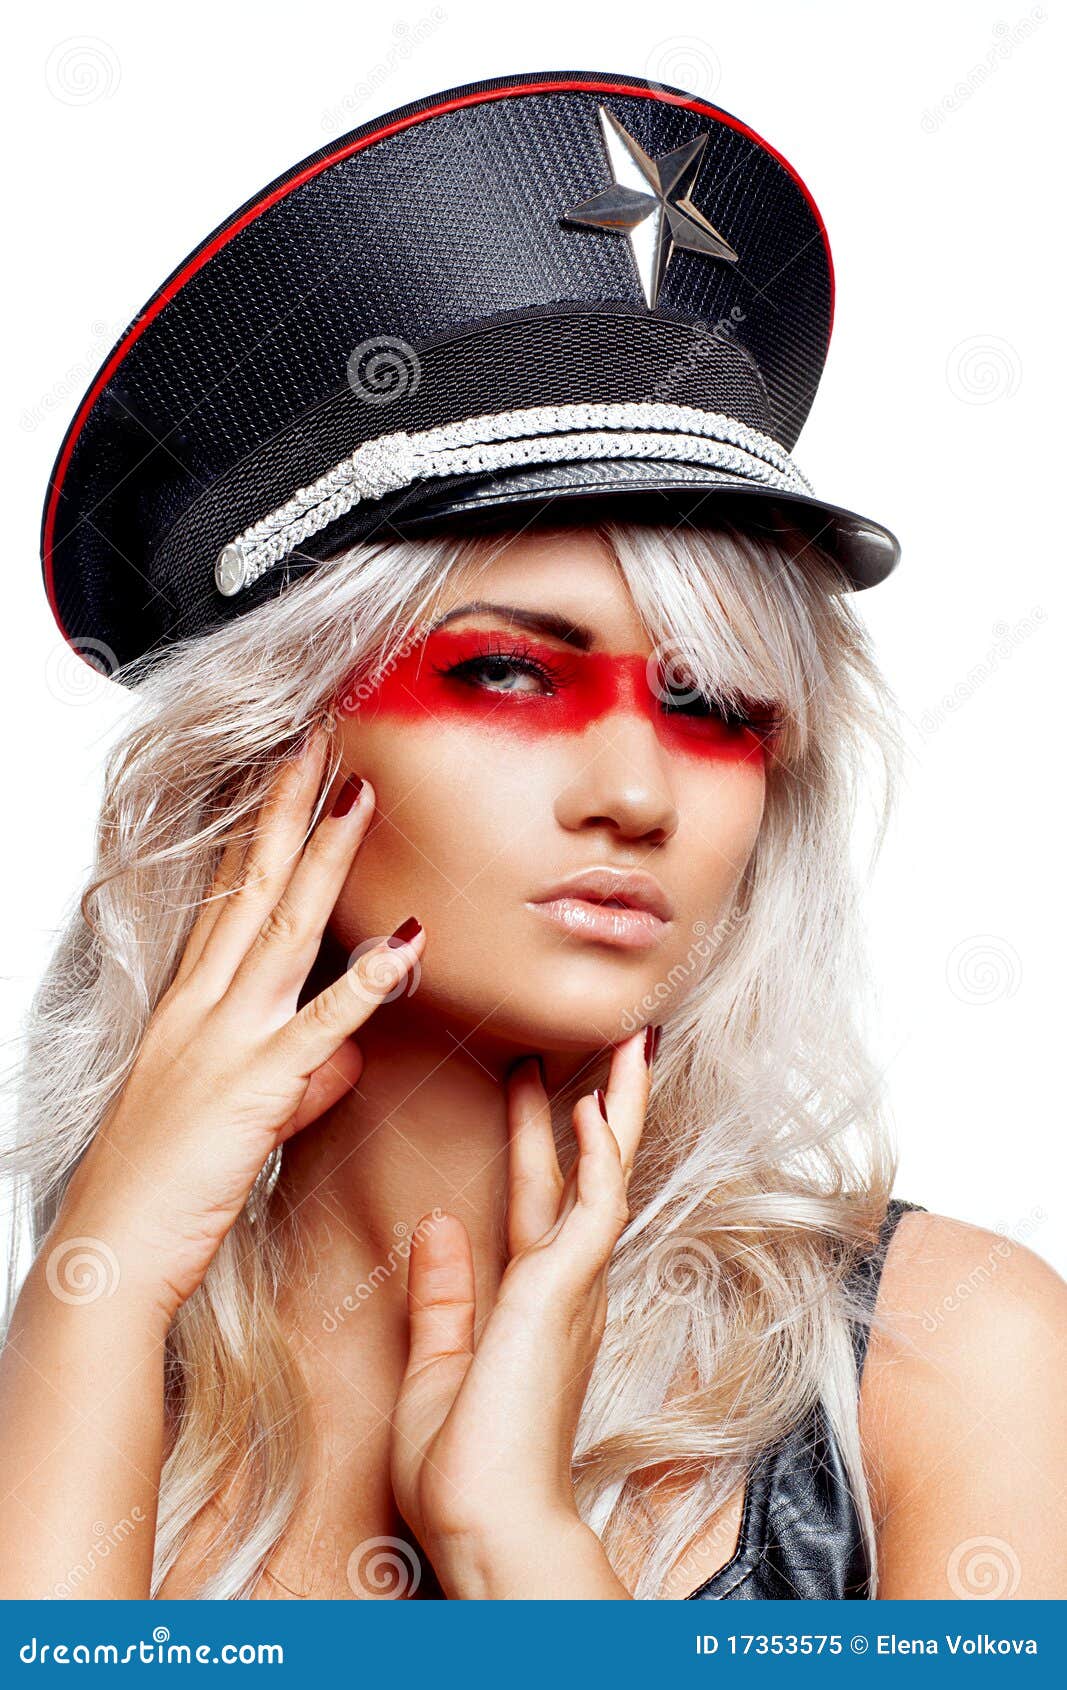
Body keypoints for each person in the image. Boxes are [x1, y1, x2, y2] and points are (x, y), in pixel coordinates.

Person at [2, 71, 1063, 1602]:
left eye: (712, 703)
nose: (638, 791)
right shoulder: (79, 1390)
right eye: (508, 670)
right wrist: (87, 1301)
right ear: (272, 752)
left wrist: (527, 1559)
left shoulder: (954, 1362)